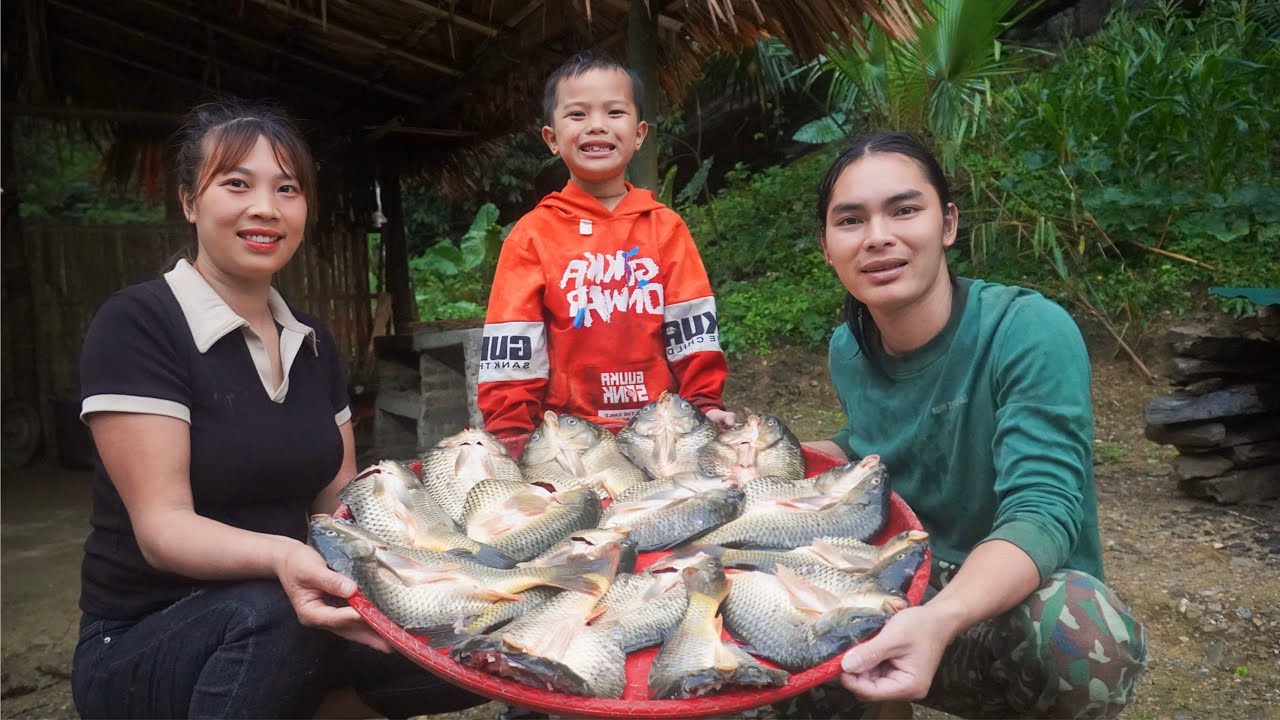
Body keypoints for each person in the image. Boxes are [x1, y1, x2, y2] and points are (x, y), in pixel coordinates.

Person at [71, 99, 484, 719]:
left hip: (288, 614)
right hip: (146, 637)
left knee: (479, 637)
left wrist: (463, 541)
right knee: (272, 614)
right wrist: (283, 556)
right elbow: (162, 530)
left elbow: (339, 503)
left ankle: (328, 706)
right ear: (189, 200)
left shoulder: (311, 341)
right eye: (237, 184)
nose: (265, 207)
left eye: (286, 189)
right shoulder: (140, 324)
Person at [790, 132, 1148, 719]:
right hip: (900, 586)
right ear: (828, 248)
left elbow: (1043, 510)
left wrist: (939, 618)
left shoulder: (1027, 330)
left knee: (1084, 633)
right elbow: (880, 444)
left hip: (1000, 611)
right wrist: (778, 459)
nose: (879, 237)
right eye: (851, 220)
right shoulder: (848, 350)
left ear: (948, 224)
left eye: (905, 210)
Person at [477, 49, 735, 438]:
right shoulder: (531, 236)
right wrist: (511, 433)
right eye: (577, 114)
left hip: (663, 430)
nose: (597, 126)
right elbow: (512, 348)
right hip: (568, 437)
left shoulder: (665, 228)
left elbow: (692, 331)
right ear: (551, 138)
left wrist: (704, 405)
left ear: (639, 135)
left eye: (615, 113)